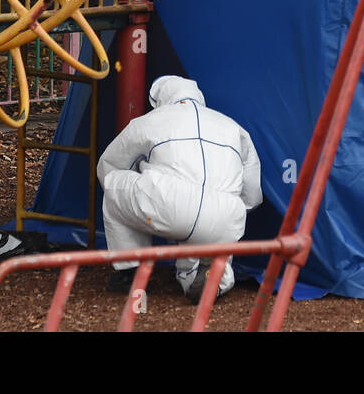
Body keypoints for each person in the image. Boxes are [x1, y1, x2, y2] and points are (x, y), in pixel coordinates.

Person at [97, 76, 263, 302]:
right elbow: (252, 192)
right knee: (198, 253)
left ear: (160, 100)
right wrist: (227, 212)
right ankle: (214, 279)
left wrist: (146, 185)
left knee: (115, 183)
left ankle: (130, 274)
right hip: (227, 215)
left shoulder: (150, 121)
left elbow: (108, 166)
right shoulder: (233, 127)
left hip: (172, 206)